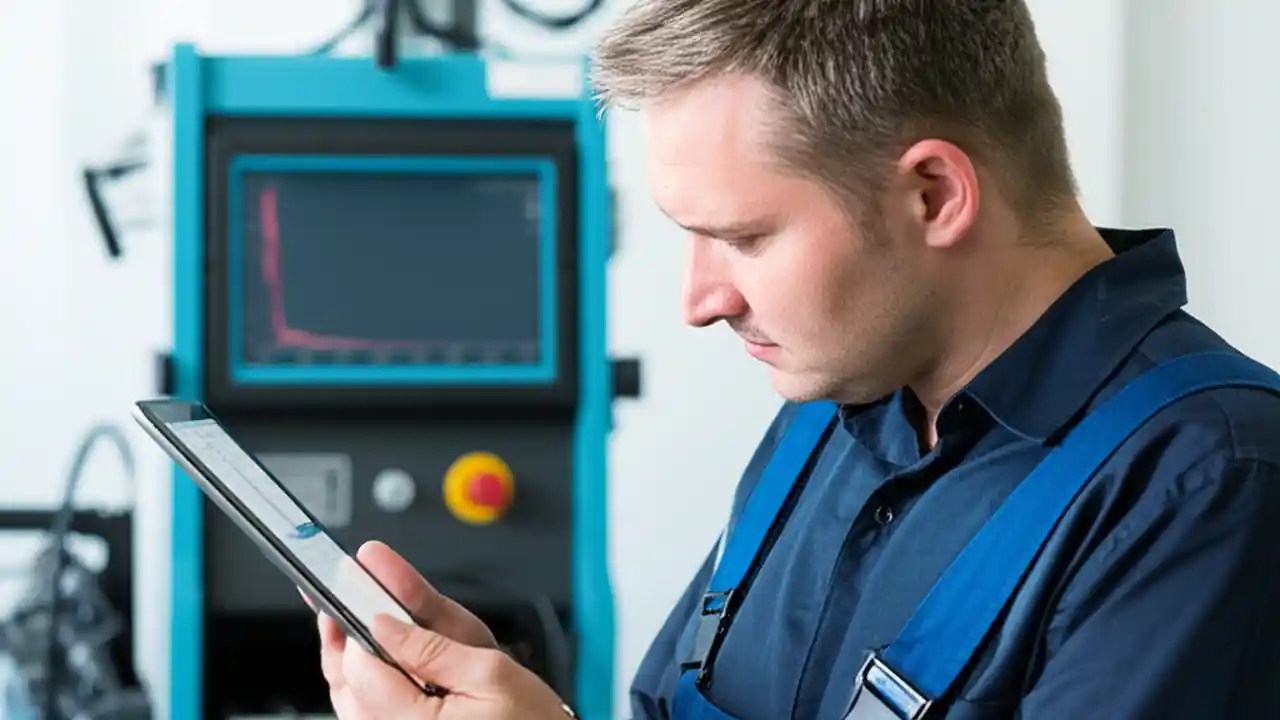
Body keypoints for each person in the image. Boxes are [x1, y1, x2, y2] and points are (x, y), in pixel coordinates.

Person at [312, 1, 1280, 718]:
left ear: (934, 194)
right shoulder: (828, 409)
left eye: (742, 238)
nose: (699, 301)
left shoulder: (1206, 486)